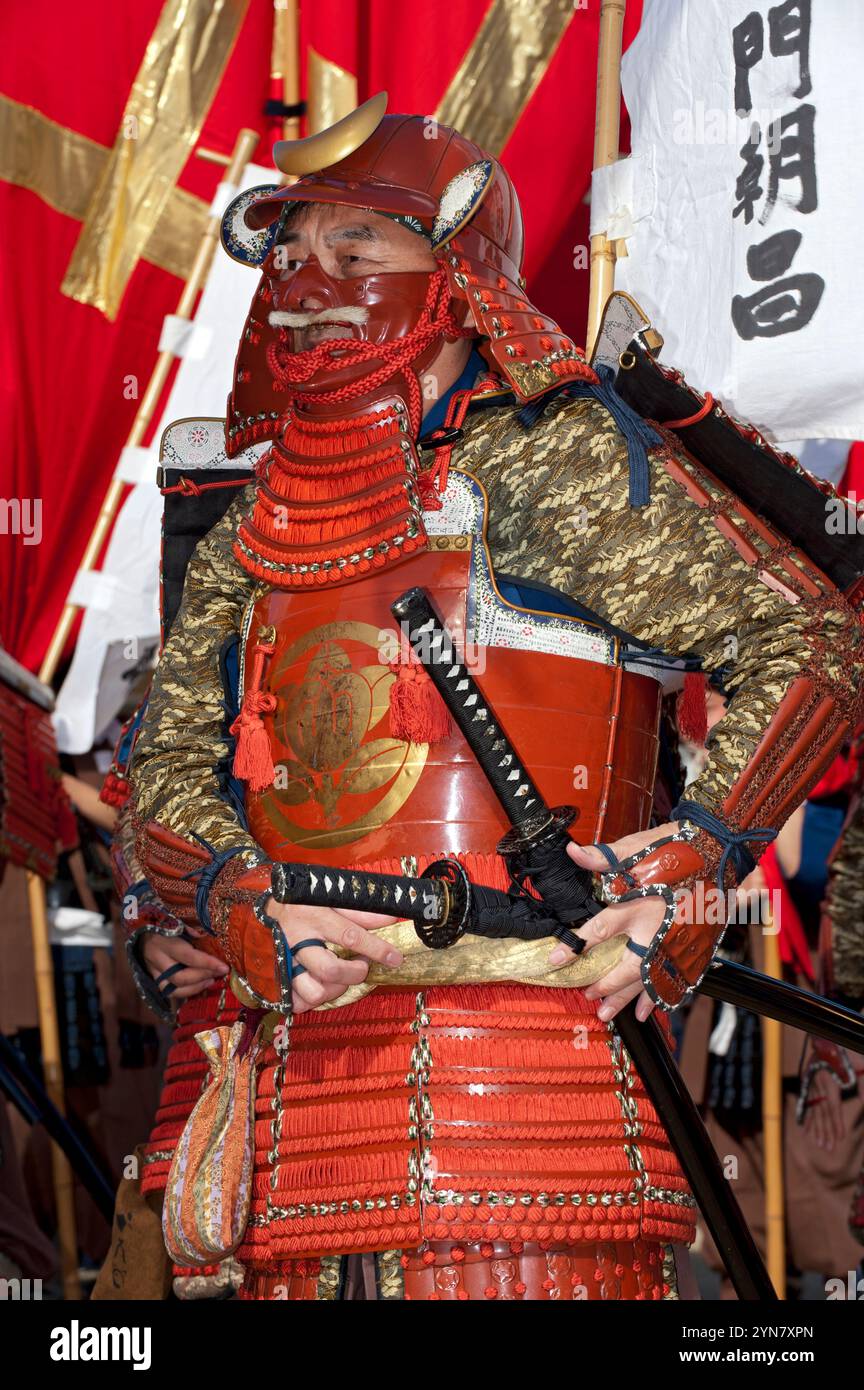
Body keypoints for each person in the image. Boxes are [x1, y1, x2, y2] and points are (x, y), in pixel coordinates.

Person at [127, 95, 861, 1300]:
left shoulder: (551, 449)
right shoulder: (247, 509)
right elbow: (163, 771)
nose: (313, 276)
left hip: (526, 1072)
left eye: (358, 244)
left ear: (456, 264)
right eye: (295, 246)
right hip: (296, 1076)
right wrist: (236, 898)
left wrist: (686, 860)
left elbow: (814, 639)